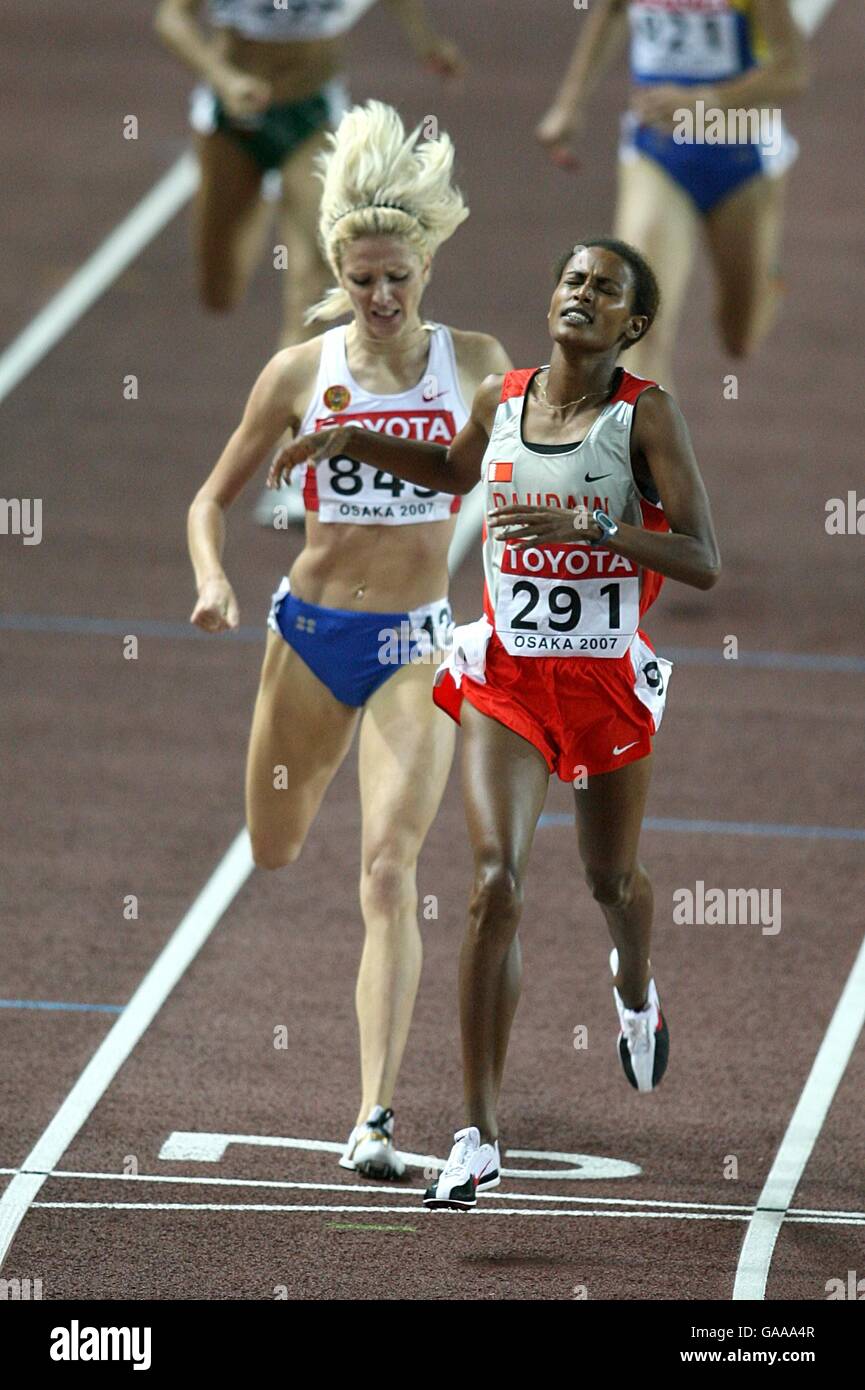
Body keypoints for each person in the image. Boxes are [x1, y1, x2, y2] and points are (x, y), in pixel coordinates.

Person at [270, 239, 721, 1208]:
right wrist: (348, 441)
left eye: (603, 290)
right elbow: (447, 471)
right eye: (570, 279)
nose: (579, 295)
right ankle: (477, 1130)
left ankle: (633, 983)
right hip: (508, 678)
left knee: (610, 878)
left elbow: (701, 556)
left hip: (600, 683)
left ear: (631, 326)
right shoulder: (502, 398)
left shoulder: (646, 418)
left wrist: (597, 531)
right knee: (492, 884)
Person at [187, 101, 511, 1180]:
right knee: (273, 850)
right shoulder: (296, 372)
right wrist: (211, 580)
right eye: (362, 278)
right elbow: (208, 502)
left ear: (426, 268)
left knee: (388, 869)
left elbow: (508, 473)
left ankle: (372, 1115)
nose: (380, 297)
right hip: (308, 637)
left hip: (414, 647)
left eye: (398, 279)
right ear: (337, 265)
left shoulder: (472, 365)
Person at [154, 0, 464, 523]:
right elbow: (172, 18)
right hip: (233, 117)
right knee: (219, 290)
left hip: (312, 117)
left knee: (308, 289)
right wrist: (223, 77)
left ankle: (293, 475)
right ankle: (258, 202)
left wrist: (427, 40)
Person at [535, 1, 809, 389]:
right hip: (657, 153)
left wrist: (706, 101)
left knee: (741, 339)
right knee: (639, 323)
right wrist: (568, 104)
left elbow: (792, 70)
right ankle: (652, 446)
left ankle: (767, 281)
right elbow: (611, 10)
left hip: (742, 155)